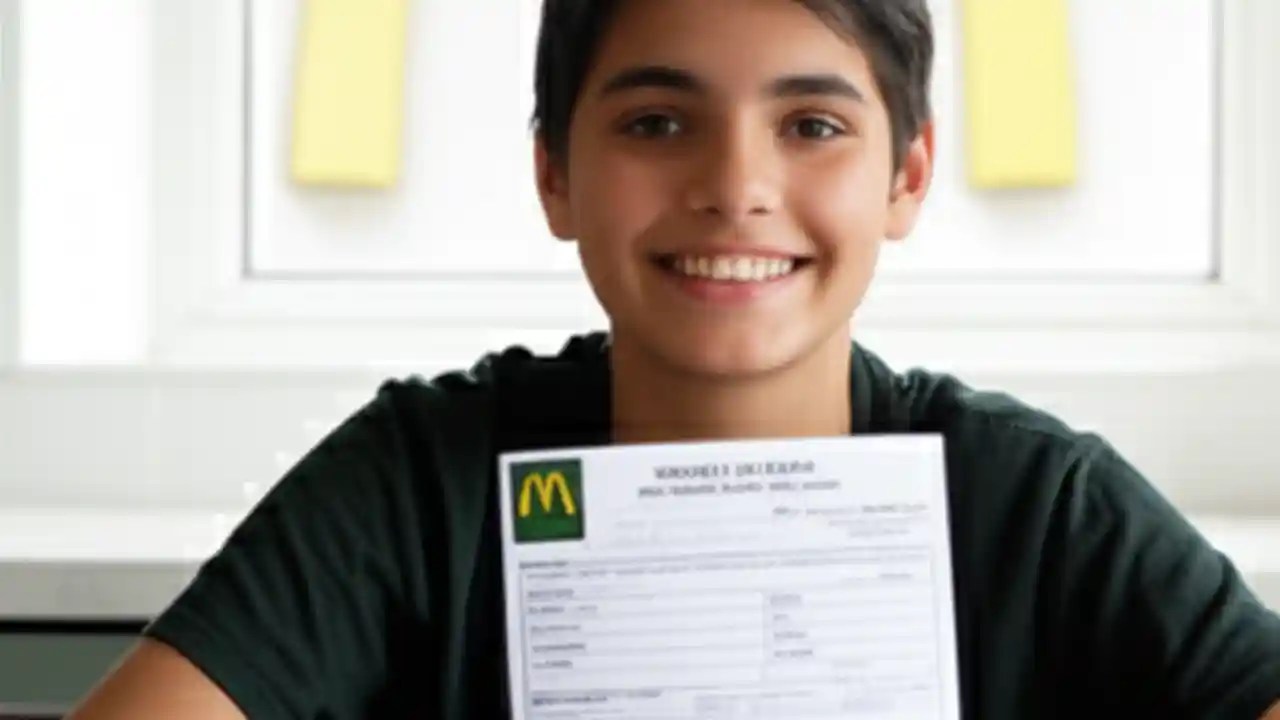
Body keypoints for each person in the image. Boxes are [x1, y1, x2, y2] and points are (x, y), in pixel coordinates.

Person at [69, 0, 1280, 718]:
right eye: (656, 123)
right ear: (553, 173)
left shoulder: (1032, 505)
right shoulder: (420, 482)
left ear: (905, 174)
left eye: (811, 127)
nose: (734, 189)